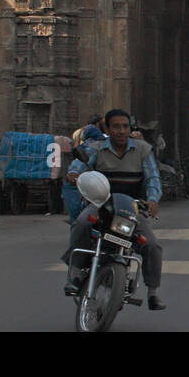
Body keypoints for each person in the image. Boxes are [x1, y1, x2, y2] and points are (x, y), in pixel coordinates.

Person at [63, 109, 164, 310]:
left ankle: (153, 292)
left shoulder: (143, 150)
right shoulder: (96, 148)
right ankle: (75, 272)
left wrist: (152, 200)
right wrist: (74, 174)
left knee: (151, 245)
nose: (121, 131)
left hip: (132, 208)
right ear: (108, 129)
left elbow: (153, 178)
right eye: (116, 127)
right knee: (82, 223)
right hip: (100, 205)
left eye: (125, 126)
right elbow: (78, 165)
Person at [62, 124, 106, 222]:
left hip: (95, 182)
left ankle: (75, 220)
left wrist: (73, 173)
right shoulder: (108, 142)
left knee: (69, 187)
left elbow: (80, 162)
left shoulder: (91, 145)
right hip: (105, 181)